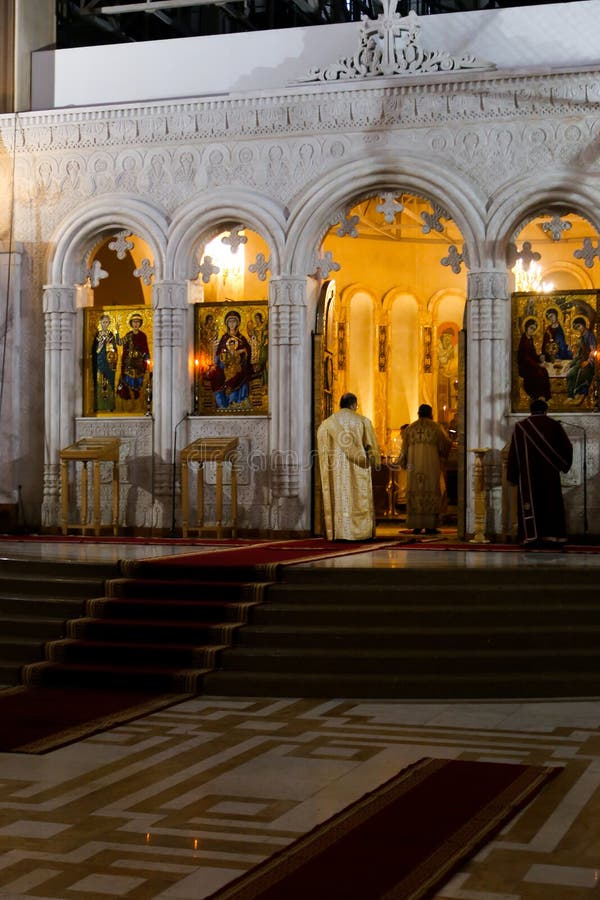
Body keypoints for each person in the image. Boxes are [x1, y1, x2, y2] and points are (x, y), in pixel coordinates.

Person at [506, 398, 573, 548]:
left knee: (532, 504)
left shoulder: (520, 427)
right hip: (550, 477)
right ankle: (553, 537)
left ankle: (530, 538)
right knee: (551, 503)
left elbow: (513, 453)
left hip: (528, 478)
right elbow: (567, 448)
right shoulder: (554, 426)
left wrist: (512, 475)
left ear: (530, 410)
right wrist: (563, 465)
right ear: (546, 410)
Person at [317, 392, 381, 541]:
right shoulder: (362, 421)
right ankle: (361, 533)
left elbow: (322, 449)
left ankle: (338, 532)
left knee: (340, 499)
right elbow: (372, 450)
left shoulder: (327, 424)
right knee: (357, 500)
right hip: (357, 471)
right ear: (354, 405)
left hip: (335, 472)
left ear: (340, 405)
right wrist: (374, 461)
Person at [399, 404, 452, 535]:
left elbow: (403, 450)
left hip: (414, 468)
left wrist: (404, 463)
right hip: (431, 467)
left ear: (418, 413)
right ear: (431, 413)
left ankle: (416, 525)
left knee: (415, 491)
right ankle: (430, 526)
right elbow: (445, 445)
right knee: (432, 490)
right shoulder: (436, 428)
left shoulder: (410, 429)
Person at [208, 310, 253, 409]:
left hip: (239, 364)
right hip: (225, 364)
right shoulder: (224, 338)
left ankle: (238, 401)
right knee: (216, 374)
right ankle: (224, 404)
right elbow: (219, 353)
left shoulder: (241, 338)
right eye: (230, 322)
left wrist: (242, 352)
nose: (232, 324)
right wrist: (217, 362)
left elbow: (247, 351)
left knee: (242, 373)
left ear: (238, 323)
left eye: (234, 321)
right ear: (226, 323)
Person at [117, 314, 150, 401]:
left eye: (138, 322)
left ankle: (137, 398)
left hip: (139, 363)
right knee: (128, 380)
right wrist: (117, 331)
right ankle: (129, 397)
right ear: (131, 323)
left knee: (138, 382)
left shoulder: (143, 335)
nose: (136, 324)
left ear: (140, 323)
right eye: (134, 322)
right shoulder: (129, 335)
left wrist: (146, 357)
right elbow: (119, 342)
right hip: (129, 363)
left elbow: (145, 349)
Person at [517, 318, 551, 401]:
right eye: (531, 328)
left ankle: (545, 396)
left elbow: (532, 354)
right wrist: (538, 364)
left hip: (531, 364)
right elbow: (526, 358)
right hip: (525, 366)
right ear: (526, 327)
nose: (532, 330)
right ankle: (537, 395)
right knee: (539, 372)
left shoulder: (530, 339)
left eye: (534, 329)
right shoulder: (523, 340)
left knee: (544, 371)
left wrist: (539, 357)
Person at [566, 316, 596, 404]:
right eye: (576, 327)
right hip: (581, 360)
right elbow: (579, 353)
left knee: (581, 372)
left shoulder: (590, 335)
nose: (578, 329)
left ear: (583, 325)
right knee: (570, 373)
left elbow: (593, 350)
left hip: (589, 362)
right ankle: (570, 395)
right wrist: (571, 363)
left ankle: (579, 394)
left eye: (579, 326)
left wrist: (588, 361)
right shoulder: (582, 337)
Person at [91, 313, 118, 412]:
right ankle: (99, 406)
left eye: (107, 322)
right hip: (99, 363)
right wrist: (101, 345)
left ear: (109, 323)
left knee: (109, 383)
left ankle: (110, 406)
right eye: (103, 322)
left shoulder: (111, 335)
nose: (105, 324)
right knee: (99, 383)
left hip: (109, 364)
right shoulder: (97, 335)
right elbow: (95, 351)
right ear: (100, 323)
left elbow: (115, 350)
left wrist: (111, 350)